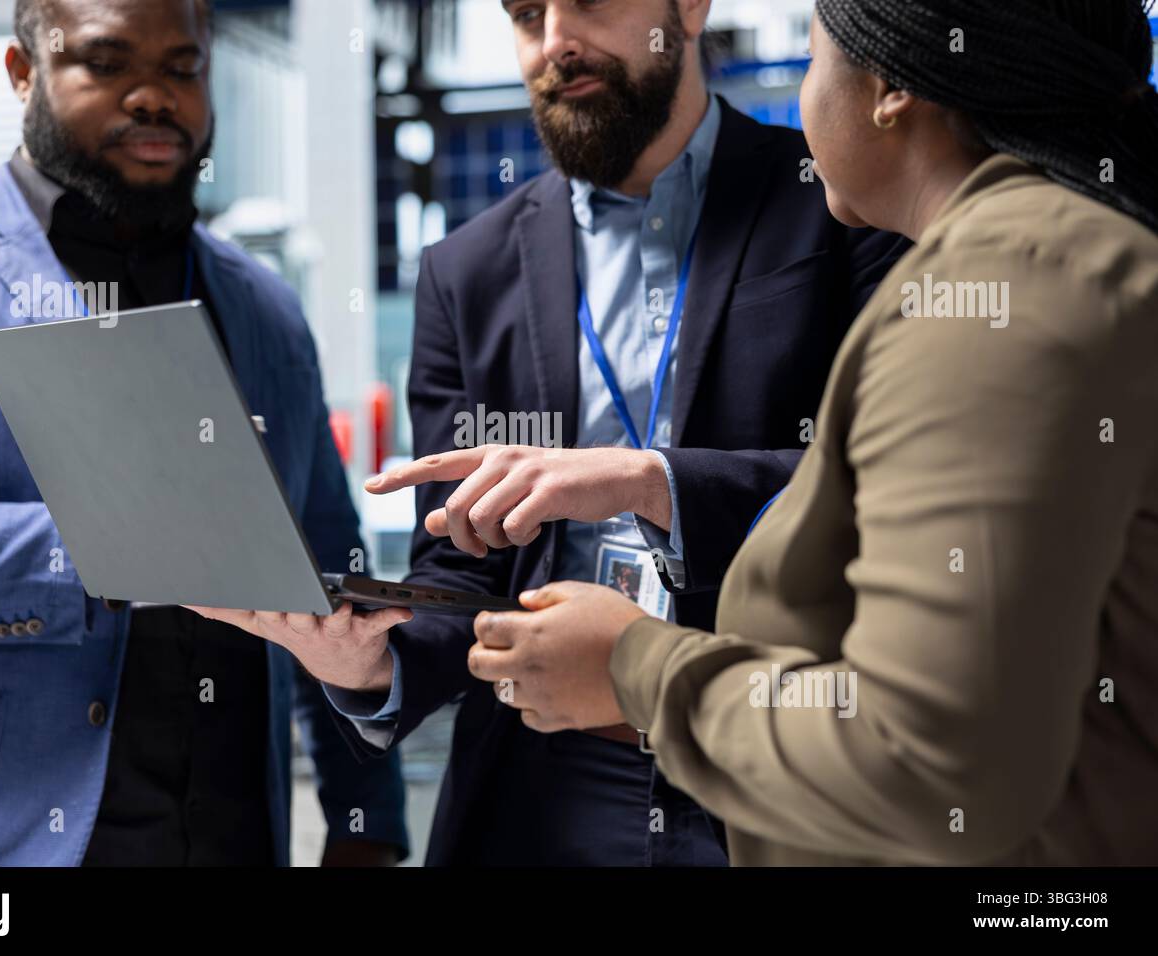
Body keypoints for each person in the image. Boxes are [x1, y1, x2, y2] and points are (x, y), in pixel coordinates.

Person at [193, 0, 907, 865]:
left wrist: (649, 482)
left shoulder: (842, 200)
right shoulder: (467, 272)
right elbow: (464, 566)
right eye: (528, 14)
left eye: (591, 3)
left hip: (778, 758)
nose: (558, 39)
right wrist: (367, 668)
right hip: (539, 788)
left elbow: (890, 486)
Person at [454, 0, 1158, 865]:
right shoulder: (1043, 260)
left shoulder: (1001, 286)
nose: (801, 90)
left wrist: (635, 669)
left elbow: (931, 762)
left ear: (891, 87)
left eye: (815, 55)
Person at [0, 0, 407, 866]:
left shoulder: (265, 309)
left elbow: (334, 574)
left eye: (182, 69)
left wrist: (364, 825)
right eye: (107, 63)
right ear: (22, 72)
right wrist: (109, 548)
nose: (154, 96)